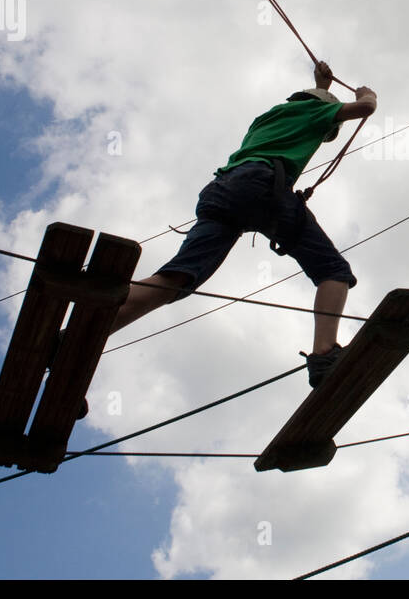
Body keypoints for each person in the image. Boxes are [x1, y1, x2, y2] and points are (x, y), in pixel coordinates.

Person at [109, 60, 378, 388]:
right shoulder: (314, 113)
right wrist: (368, 94)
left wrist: (322, 86)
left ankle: (90, 328)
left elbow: (310, 102)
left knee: (177, 277)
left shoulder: (268, 117)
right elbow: (364, 108)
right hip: (263, 186)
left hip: (223, 190)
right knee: (333, 272)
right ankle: (324, 354)